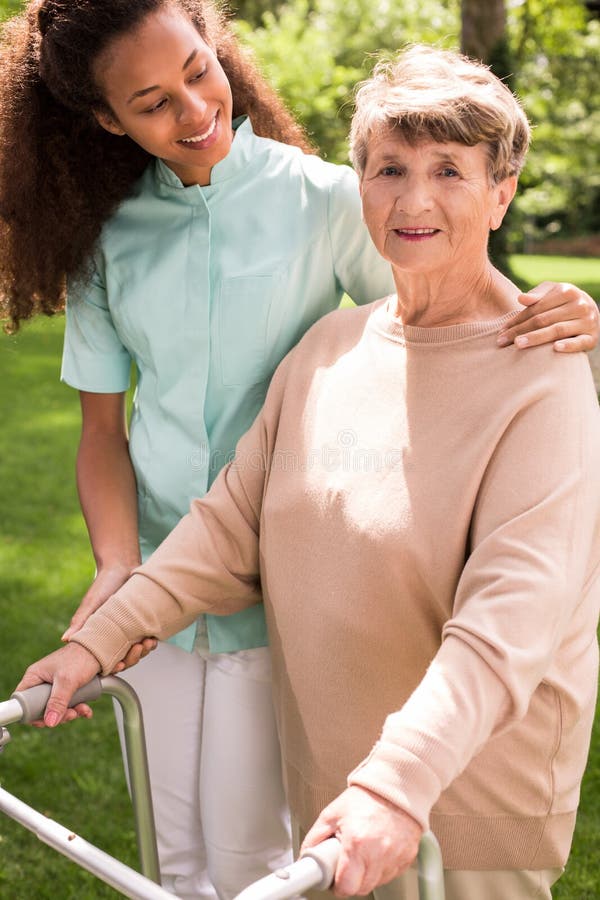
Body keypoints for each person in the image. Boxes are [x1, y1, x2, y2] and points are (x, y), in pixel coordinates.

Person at [3, 3, 598, 895]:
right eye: (389, 168)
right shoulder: (326, 353)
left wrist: (394, 790)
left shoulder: (540, 380)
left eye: (449, 170)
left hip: (461, 815)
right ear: (359, 184)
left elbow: (503, 627)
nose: (413, 198)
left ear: (502, 190)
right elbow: (225, 527)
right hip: (335, 796)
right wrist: (100, 640)